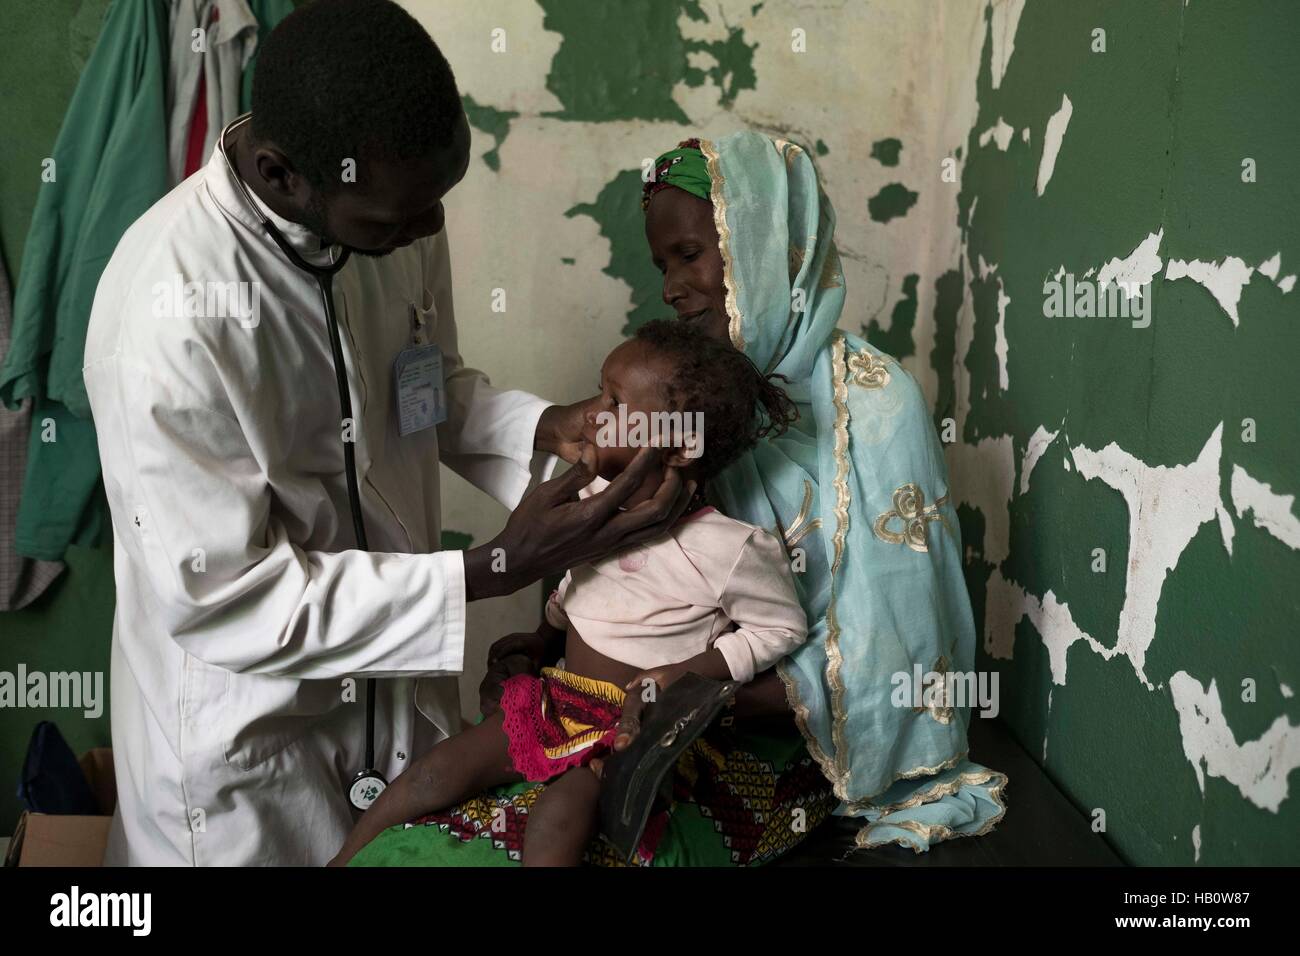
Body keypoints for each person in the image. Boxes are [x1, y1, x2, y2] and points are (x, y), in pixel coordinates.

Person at [81, 0, 690, 866]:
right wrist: (489, 569)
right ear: (281, 173)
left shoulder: (389, 209)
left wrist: (555, 429)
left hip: (397, 714)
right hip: (253, 755)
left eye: (437, 203)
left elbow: (420, 385)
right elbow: (222, 595)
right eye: (396, 222)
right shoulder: (168, 316)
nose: (429, 232)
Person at [364, 132, 1006, 866]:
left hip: (789, 739)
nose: (671, 286)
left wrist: (693, 693)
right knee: (428, 825)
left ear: (771, 245)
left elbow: (892, 652)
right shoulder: (680, 392)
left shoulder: (875, 404)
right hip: (624, 714)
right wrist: (550, 649)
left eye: (692, 255)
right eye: (662, 264)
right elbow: (633, 571)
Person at [333, 320, 810, 866]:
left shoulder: (728, 548)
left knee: (563, 812)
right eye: (601, 391)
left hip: (634, 725)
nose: (591, 415)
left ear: (680, 448)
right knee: (437, 770)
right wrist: (540, 639)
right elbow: (578, 590)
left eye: (615, 404)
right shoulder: (587, 504)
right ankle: (339, 860)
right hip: (556, 698)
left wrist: (692, 672)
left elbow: (783, 628)